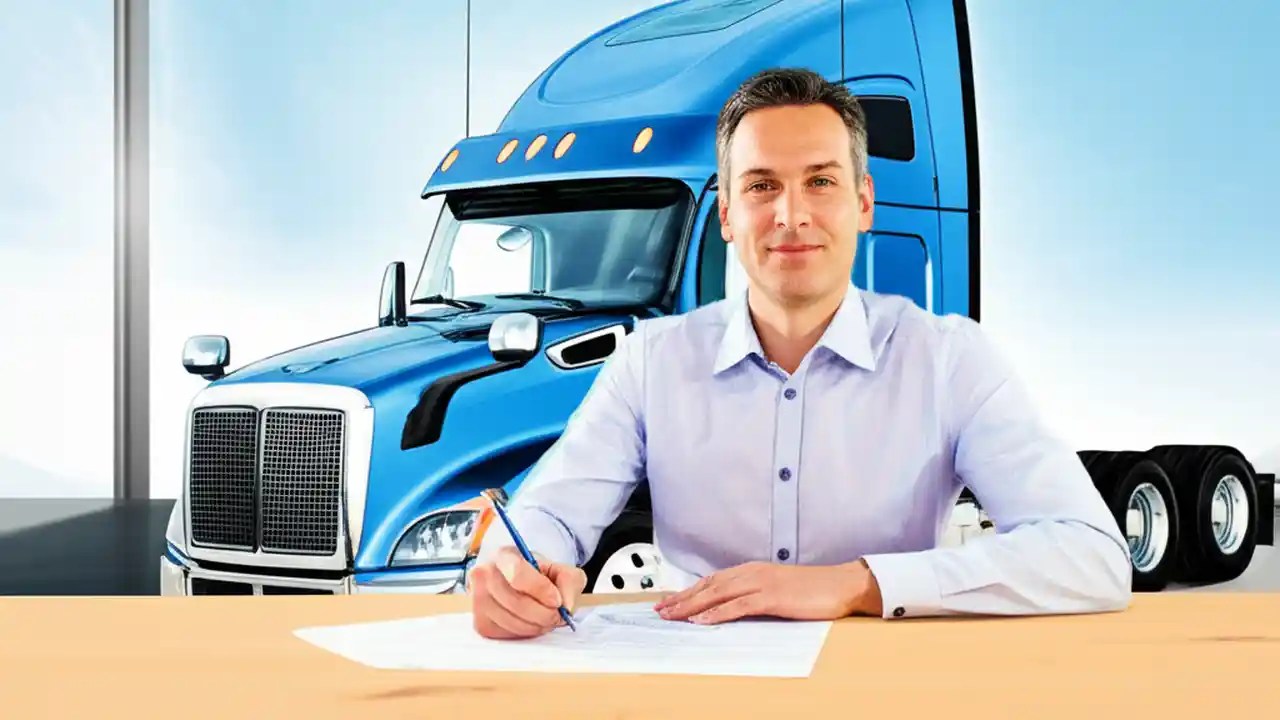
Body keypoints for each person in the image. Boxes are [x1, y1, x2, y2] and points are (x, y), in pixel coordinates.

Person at [465, 67, 1132, 640]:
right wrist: (513, 569)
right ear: (726, 215)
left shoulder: (948, 360)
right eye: (761, 186)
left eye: (820, 182)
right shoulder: (650, 363)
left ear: (863, 202)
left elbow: (1090, 553)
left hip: (882, 681)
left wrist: (857, 584)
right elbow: (550, 514)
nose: (790, 214)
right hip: (697, 677)